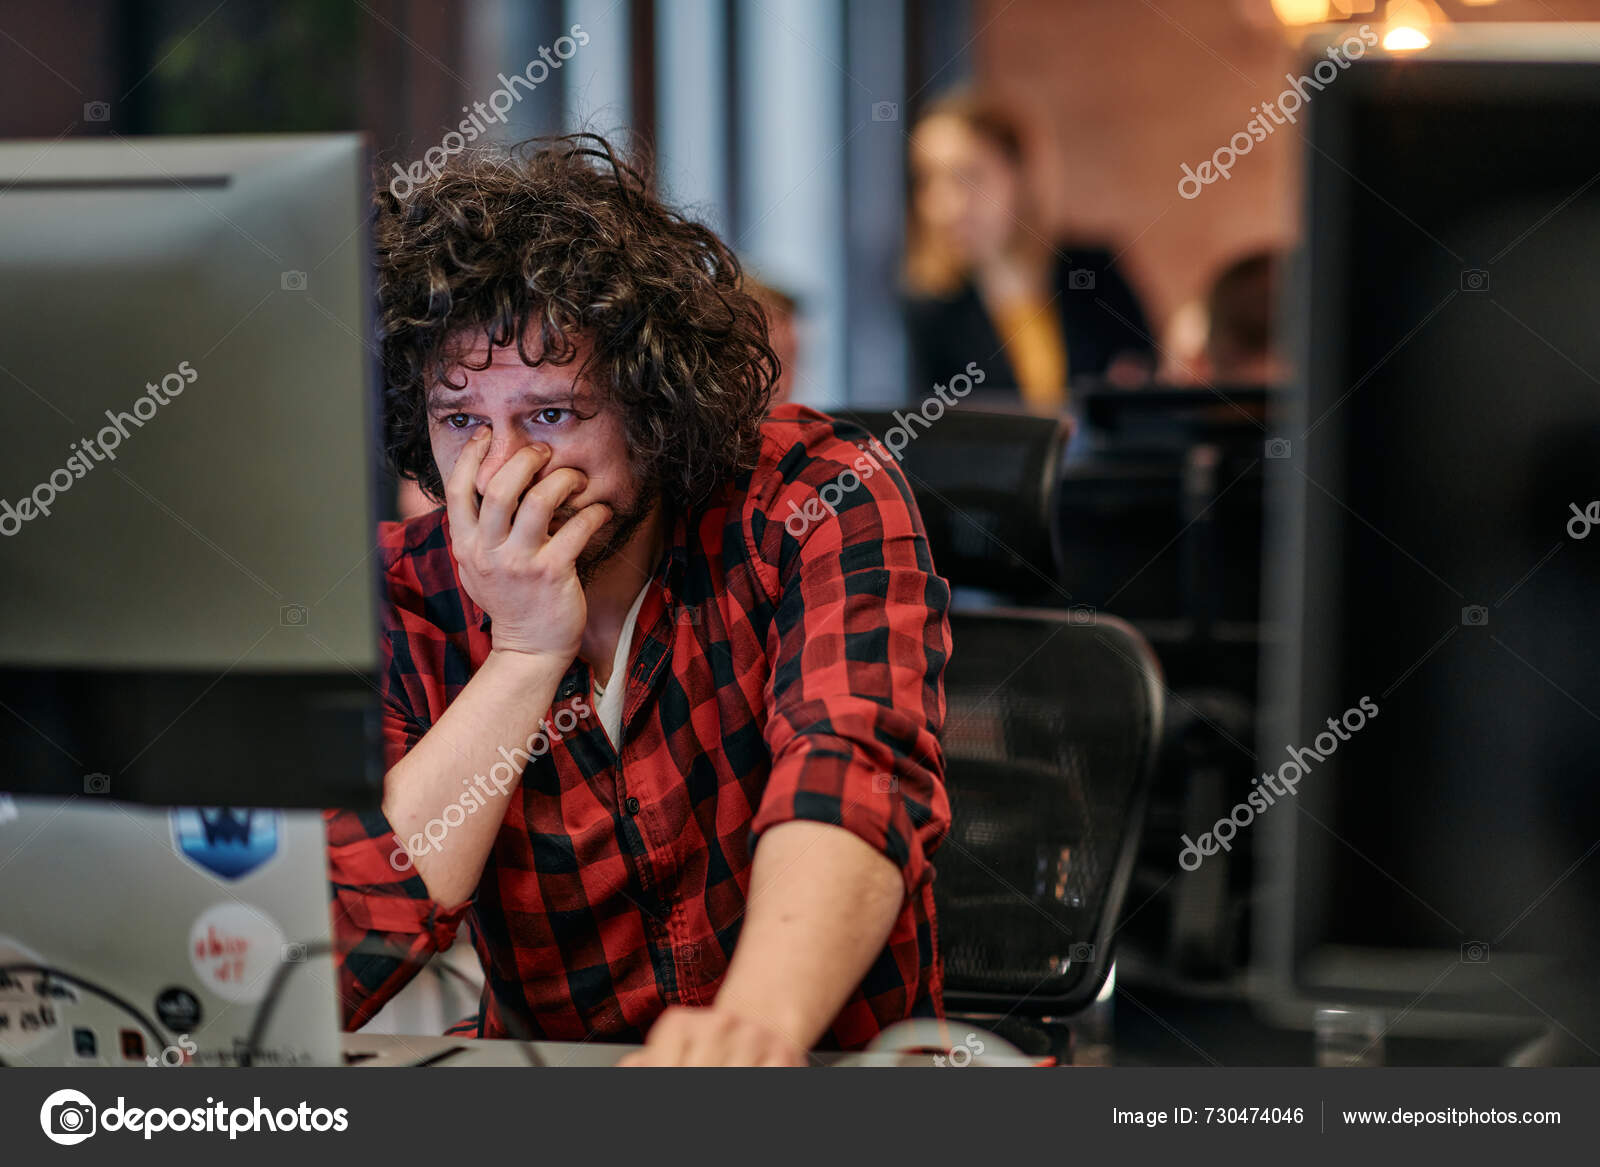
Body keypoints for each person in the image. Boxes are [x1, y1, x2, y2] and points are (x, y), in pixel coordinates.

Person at [324, 134, 953, 1066]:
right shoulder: (406, 593)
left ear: (652, 406)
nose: (501, 472)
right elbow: (337, 953)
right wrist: (524, 653)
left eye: (550, 414)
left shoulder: (814, 498)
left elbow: (854, 778)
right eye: (461, 421)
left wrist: (754, 1027)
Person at [902, 91, 1155, 413]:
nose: (945, 206)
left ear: (1019, 174)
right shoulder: (931, 310)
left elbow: (1146, 380)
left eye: (970, 176)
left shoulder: (1095, 274)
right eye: (927, 181)